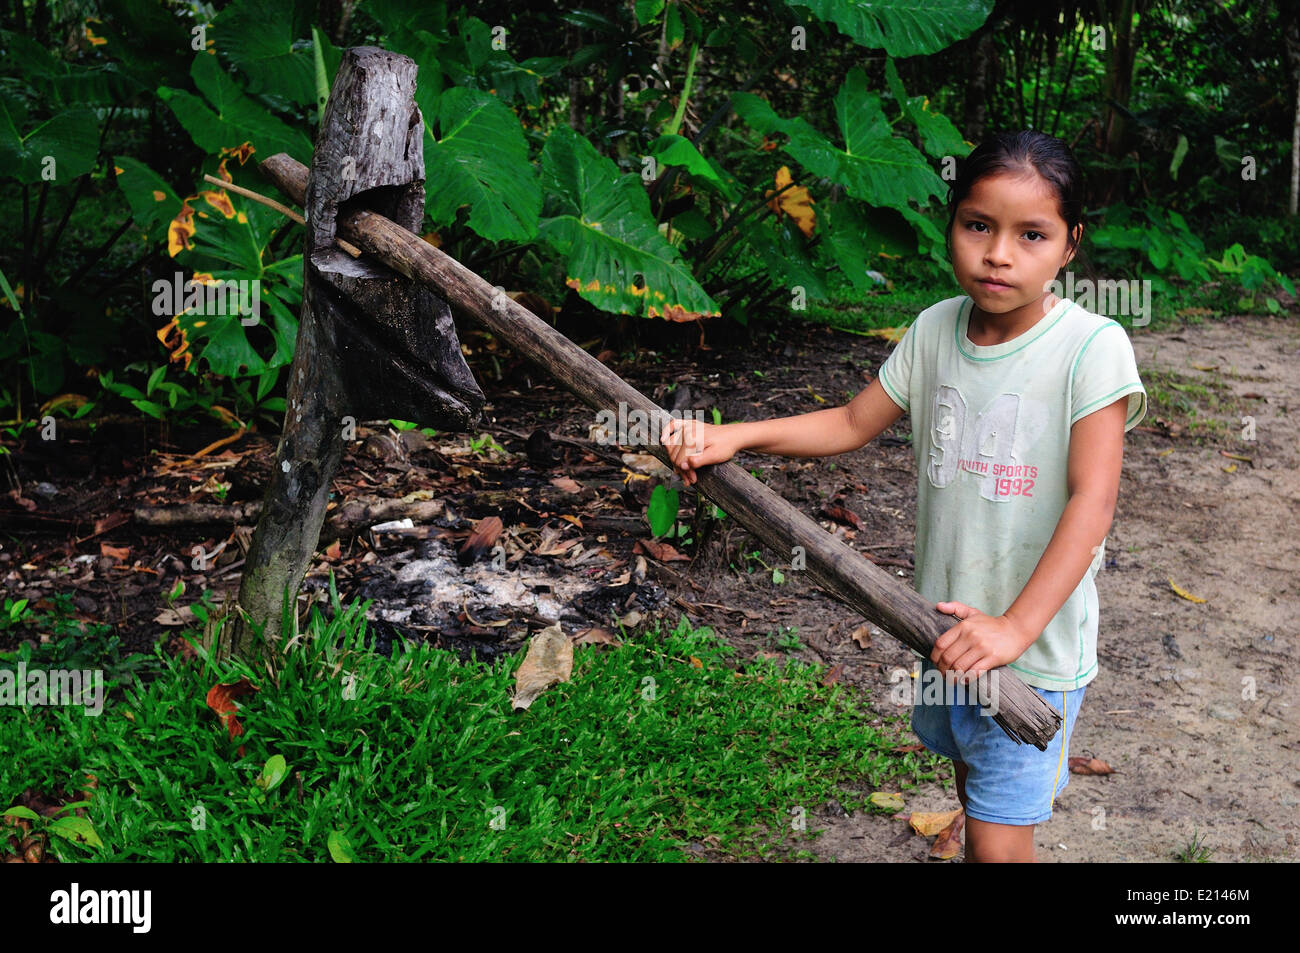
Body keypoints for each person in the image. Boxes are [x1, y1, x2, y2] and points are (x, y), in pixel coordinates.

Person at [659, 130, 1147, 863]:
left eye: (1031, 234)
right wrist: (737, 435)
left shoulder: (1091, 347)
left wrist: (1012, 628)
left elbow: (1093, 502)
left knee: (995, 840)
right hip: (946, 630)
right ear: (950, 222)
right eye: (978, 225)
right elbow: (851, 422)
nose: (999, 253)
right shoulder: (934, 330)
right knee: (974, 790)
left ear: (1070, 245)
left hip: (1031, 650)